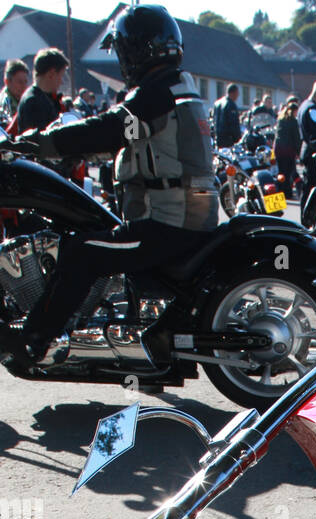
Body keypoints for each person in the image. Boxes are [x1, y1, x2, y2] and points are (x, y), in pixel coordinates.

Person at [0, 4, 218, 369]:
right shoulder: (176, 86)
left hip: (168, 223)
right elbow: (128, 140)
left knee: (81, 253)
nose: (120, 59)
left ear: (136, 50)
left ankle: (32, 342)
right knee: (88, 233)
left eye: (121, 51)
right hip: (181, 216)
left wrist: (36, 142)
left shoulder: (156, 94)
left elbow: (108, 128)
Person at [17, 48, 69, 134]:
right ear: (51, 73)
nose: (61, 82)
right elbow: (39, 142)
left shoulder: (41, 98)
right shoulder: (33, 102)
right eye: (61, 75)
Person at [274, 97, 301, 194]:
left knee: (281, 170)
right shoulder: (293, 121)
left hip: (278, 148)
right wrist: (298, 151)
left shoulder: (280, 119)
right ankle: (287, 191)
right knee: (289, 171)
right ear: (294, 111)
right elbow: (296, 138)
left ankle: (279, 190)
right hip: (288, 150)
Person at [0, 59, 29, 127]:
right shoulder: (5, 103)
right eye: (20, 82)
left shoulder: (23, 100)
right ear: (7, 82)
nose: (24, 86)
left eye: (25, 82)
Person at [212, 81, 241, 148]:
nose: (237, 96)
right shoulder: (231, 104)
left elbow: (214, 120)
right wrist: (237, 139)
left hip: (218, 138)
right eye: (237, 93)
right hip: (228, 140)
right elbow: (234, 124)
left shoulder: (217, 103)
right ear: (234, 93)